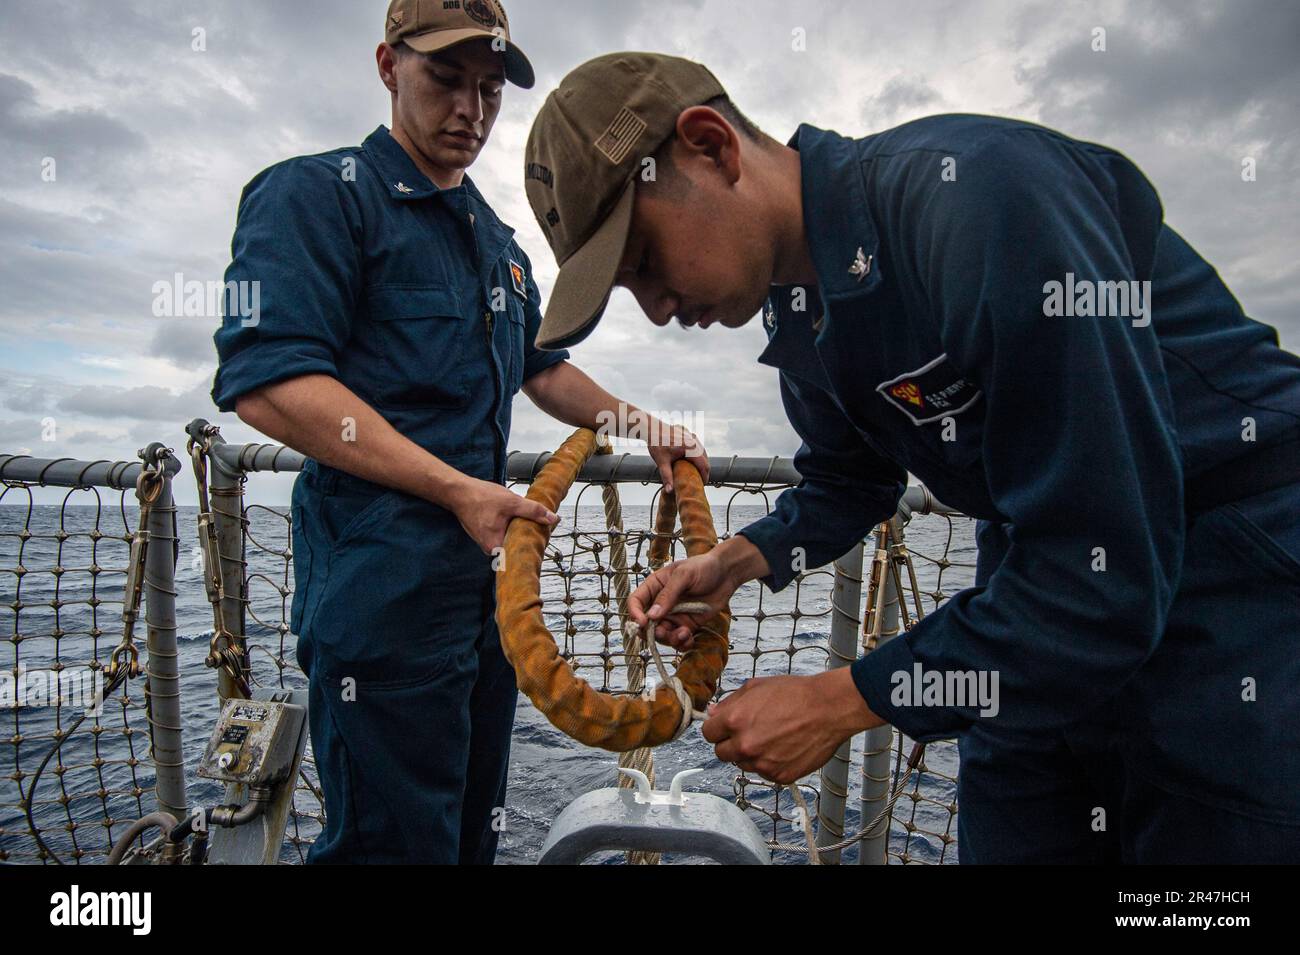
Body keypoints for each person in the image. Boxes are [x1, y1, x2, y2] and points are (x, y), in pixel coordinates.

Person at [521, 52, 1300, 863]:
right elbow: (851, 481)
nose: (657, 307)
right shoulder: (798, 319)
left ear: (713, 146)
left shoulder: (981, 199)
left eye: (643, 260)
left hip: (1236, 573)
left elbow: (1105, 573)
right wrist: (736, 560)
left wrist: (841, 699)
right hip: (1040, 584)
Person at [210, 12, 707, 864]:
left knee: (471, 834)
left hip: (487, 609)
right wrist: (455, 490)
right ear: (386, 66)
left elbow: (542, 367)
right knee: (393, 846)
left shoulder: (502, 247)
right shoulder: (316, 195)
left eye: (488, 88)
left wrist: (641, 425)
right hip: (382, 600)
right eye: (446, 79)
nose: (471, 108)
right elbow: (270, 385)